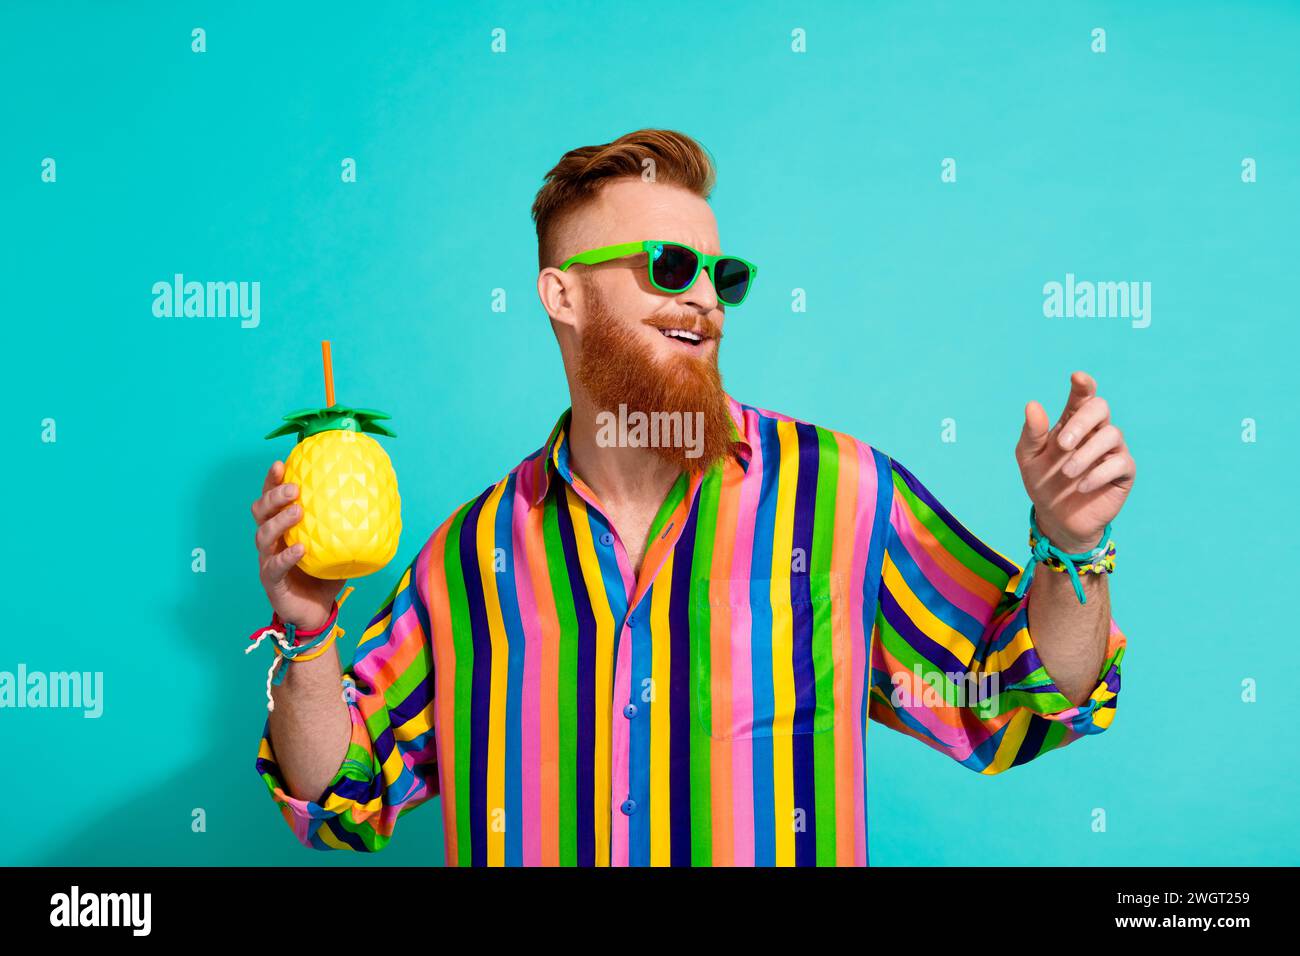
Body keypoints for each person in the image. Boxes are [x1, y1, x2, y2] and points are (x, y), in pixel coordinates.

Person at [248, 128, 1133, 866]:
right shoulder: (470, 556)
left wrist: (1070, 547)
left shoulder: (843, 496)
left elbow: (1023, 690)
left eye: (724, 275)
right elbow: (337, 796)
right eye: (670, 266)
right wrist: (310, 628)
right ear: (562, 293)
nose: (706, 297)